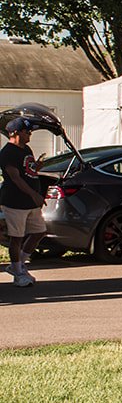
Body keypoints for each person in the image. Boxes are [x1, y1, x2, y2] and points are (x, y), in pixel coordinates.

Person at [1, 117, 46, 288]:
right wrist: (34, 195)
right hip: (14, 202)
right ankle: (18, 273)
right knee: (16, 238)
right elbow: (15, 178)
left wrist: (37, 166)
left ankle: (17, 264)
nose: (30, 135)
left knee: (39, 232)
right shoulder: (7, 153)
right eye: (27, 131)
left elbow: (28, 170)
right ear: (15, 133)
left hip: (30, 203)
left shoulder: (26, 149)